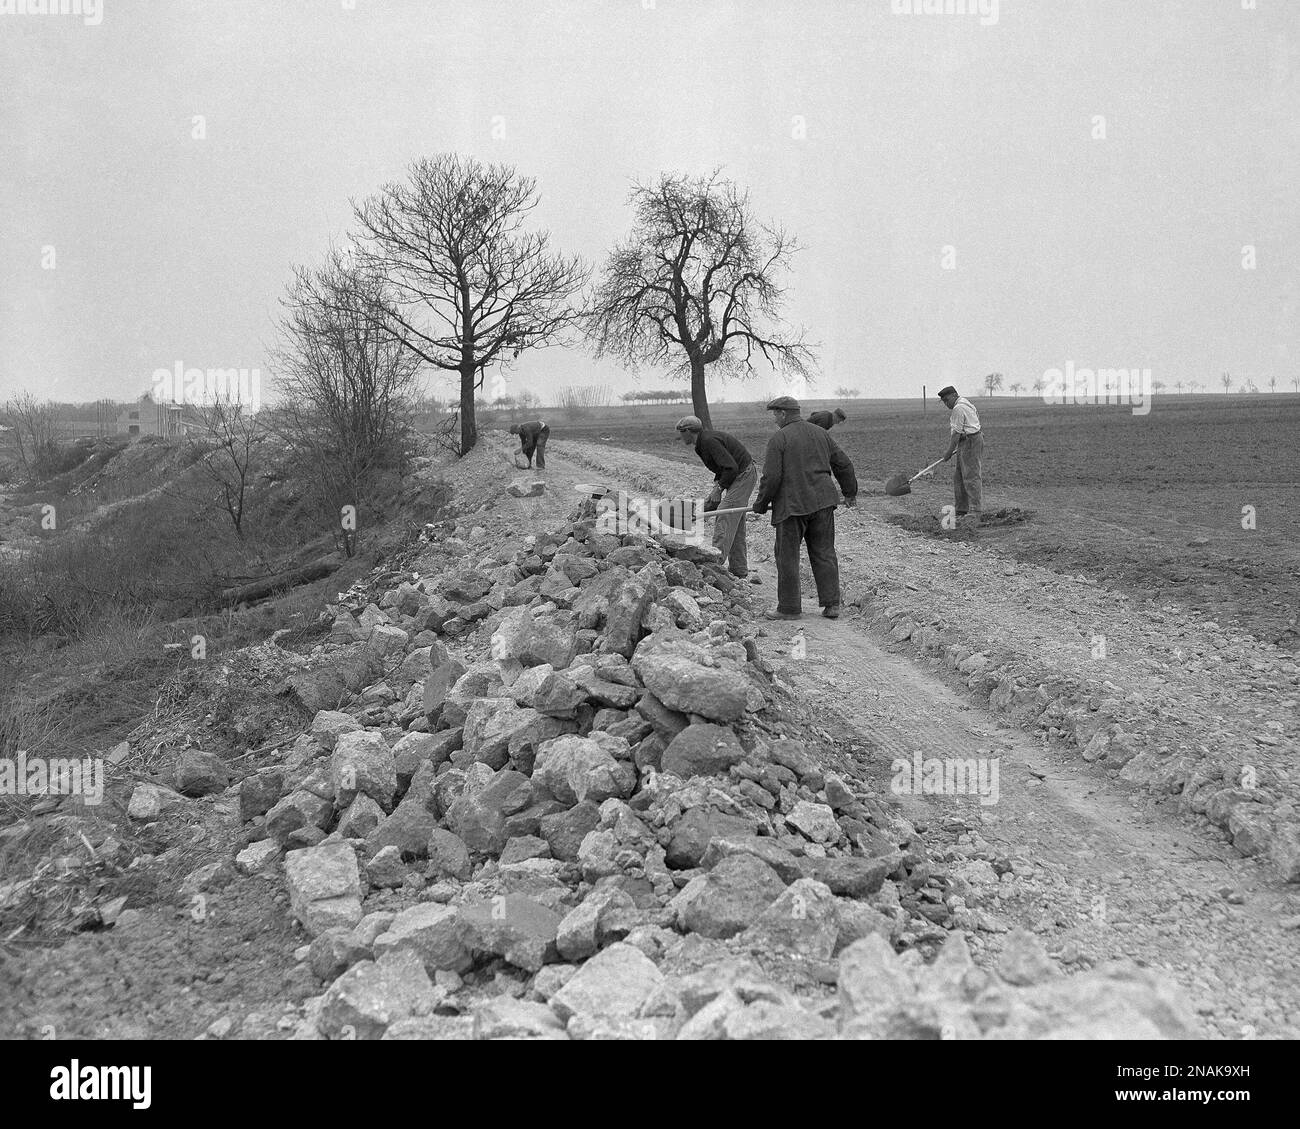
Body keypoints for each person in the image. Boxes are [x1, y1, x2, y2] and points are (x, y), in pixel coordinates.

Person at [753, 396, 858, 620]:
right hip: (823, 502)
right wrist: (850, 493)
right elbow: (843, 464)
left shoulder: (778, 439)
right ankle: (832, 605)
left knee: (787, 556)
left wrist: (761, 504)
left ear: (783, 414)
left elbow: (771, 477)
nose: (774, 419)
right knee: (824, 552)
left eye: (775, 414)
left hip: (792, 506)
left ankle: (789, 609)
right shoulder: (821, 433)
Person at [675, 415, 757, 579]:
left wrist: (719, 488)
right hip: (738, 475)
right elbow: (723, 467)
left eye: (681, 432)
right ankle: (739, 569)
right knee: (735, 519)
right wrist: (715, 489)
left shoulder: (708, 441)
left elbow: (731, 467)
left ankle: (714, 566)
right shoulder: (702, 443)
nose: (680, 436)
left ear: (688, 431)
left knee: (725, 515)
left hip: (743, 474)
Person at [937, 386, 982, 526]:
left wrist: (948, 453)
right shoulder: (965, 402)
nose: (946, 404)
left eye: (946, 400)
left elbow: (956, 434)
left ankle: (975, 511)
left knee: (971, 476)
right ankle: (962, 509)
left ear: (955, 395)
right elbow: (974, 419)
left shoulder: (958, 408)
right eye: (943, 402)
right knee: (959, 476)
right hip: (969, 439)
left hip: (970, 441)